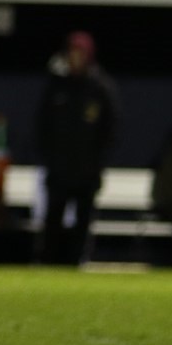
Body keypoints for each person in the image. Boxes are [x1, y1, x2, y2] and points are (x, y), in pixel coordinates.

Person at [34, 31, 119, 265]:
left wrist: (99, 163)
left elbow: (110, 130)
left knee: (83, 221)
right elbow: (43, 126)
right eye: (72, 53)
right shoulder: (56, 86)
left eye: (80, 53)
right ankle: (47, 261)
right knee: (53, 220)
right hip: (59, 168)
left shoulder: (101, 87)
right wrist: (49, 159)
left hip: (87, 170)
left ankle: (78, 261)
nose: (76, 58)